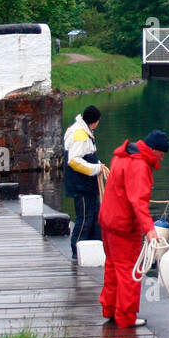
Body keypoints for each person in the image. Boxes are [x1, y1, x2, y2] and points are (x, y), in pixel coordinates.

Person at [98, 129, 169, 328]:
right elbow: (138, 201)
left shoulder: (122, 156)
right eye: (161, 155)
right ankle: (126, 317)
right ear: (154, 150)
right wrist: (150, 230)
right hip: (123, 226)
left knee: (112, 267)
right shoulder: (140, 166)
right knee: (129, 271)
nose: (161, 160)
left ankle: (110, 309)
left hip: (107, 220)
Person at [64, 105, 104, 259]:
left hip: (88, 184)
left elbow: (88, 155)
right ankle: (77, 251)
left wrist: (98, 164)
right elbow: (74, 161)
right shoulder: (80, 134)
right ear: (94, 122)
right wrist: (96, 169)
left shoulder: (82, 131)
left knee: (93, 215)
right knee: (85, 217)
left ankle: (92, 247)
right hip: (82, 185)